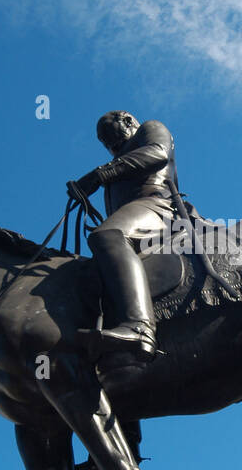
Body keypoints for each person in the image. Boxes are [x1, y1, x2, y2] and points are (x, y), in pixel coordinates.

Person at [70, 111, 188, 364]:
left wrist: (101, 173)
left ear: (127, 121)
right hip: (139, 214)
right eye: (104, 142)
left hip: (158, 207)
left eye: (111, 136)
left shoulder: (151, 127)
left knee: (108, 235)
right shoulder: (119, 164)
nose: (109, 145)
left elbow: (158, 153)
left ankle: (139, 327)